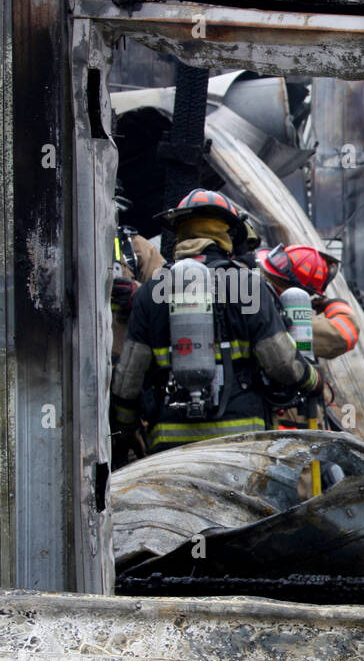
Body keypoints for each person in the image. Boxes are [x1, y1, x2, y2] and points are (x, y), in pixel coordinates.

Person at [109, 188, 321, 463]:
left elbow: (128, 381)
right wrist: (313, 380)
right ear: (227, 233)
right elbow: (281, 364)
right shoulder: (248, 285)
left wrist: (125, 431)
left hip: (170, 451)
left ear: (180, 232)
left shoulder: (150, 292)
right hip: (243, 445)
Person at [256, 243, 359, 360]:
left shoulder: (246, 281)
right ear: (304, 290)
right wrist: (332, 304)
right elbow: (345, 335)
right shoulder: (285, 313)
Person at [110, 180, 165, 364]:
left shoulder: (134, 247)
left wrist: (136, 293)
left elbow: (164, 296)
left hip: (123, 362)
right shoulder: (62, 246)